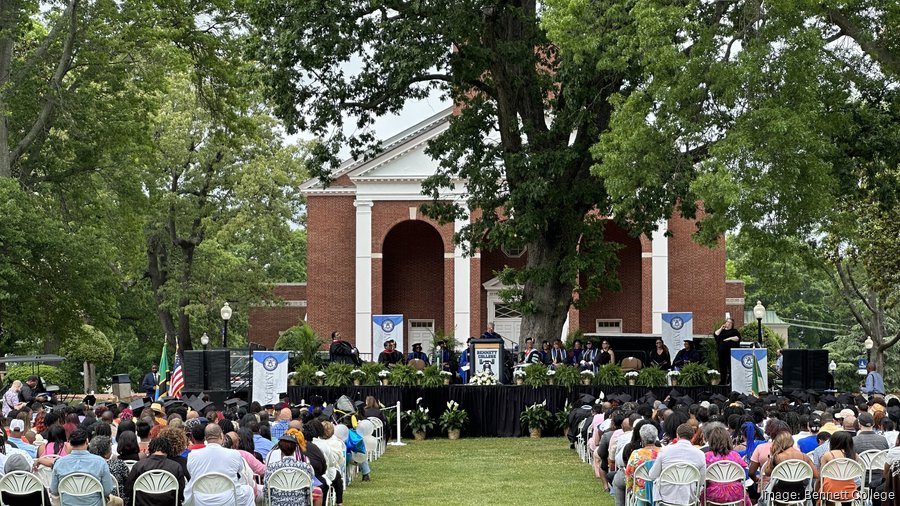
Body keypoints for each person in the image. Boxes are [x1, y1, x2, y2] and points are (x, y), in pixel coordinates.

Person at [185, 424, 254, 506]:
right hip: (229, 499)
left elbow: (191, 472)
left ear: (206, 438)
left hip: (200, 500)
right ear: (221, 436)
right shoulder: (234, 454)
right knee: (249, 490)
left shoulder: (192, 455)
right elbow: (240, 470)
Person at [50, 428, 123, 506]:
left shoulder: (59, 463)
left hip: (67, 504)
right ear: (87, 441)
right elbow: (107, 490)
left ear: (70, 443)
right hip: (95, 504)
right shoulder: (100, 462)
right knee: (119, 501)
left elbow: (54, 491)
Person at [648, 423, 707, 505]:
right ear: (692, 436)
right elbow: (701, 481)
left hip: (666, 494)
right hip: (688, 495)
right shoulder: (700, 454)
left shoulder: (665, 451)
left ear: (677, 435)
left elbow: (652, 475)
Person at [264, 430, 322, 506]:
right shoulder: (305, 467)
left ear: (280, 448)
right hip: (300, 503)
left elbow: (266, 491)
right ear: (295, 449)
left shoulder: (271, 468)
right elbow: (310, 490)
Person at [125, 437, 186, 506]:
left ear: (150, 448)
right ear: (168, 449)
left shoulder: (139, 465)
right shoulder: (176, 467)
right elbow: (180, 493)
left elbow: (128, 490)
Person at [763, 431, 819, 505]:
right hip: (800, 493)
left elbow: (767, 473)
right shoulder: (804, 456)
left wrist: (771, 455)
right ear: (791, 442)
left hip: (780, 493)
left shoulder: (777, 457)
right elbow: (816, 475)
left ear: (778, 443)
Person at [704, 426, 751, 506]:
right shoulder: (735, 455)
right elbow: (743, 472)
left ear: (711, 441)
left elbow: (703, 478)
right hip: (735, 492)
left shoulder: (706, 456)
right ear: (728, 440)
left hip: (713, 493)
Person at [820, 431, 860, 505]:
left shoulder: (828, 455)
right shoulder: (855, 455)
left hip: (831, 491)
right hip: (851, 490)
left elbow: (822, 475)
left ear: (833, 442)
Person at [624, 424, 661, 500]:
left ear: (642, 438)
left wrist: (629, 487)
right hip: (660, 490)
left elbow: (629, 474)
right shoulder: (663, 452)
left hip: (642, 492)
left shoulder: (636, 454)